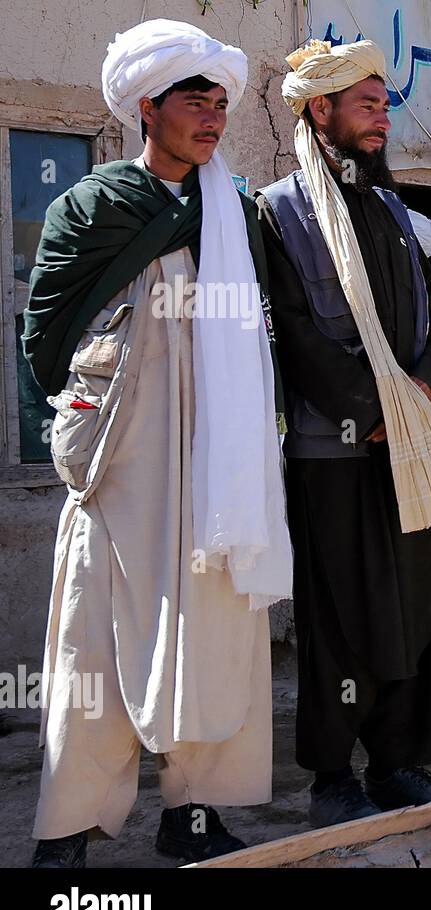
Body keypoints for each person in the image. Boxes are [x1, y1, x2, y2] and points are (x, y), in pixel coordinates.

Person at [22, 19, 291, 867]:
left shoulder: (233, 214)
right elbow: (47, 336)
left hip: (217, 465)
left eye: (220, 102)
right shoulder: (96, 207)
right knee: (92, 641)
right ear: (150, 107)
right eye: (194, 102)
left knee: (216, 631)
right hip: (123, 463)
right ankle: (68, 825)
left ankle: (196, 812)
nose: (212, 117)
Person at [259, 37, 431, 827]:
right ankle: (332, 776)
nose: (383, 120)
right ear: (322, 110)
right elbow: (296, 337)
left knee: (414, 605)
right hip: (335, 452)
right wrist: (373, 409)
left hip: (408, 445)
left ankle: (397, 763)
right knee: (338, 614)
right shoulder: (279, 214)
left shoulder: (389, 208)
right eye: (367, 105)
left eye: (384, 105)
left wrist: (422, 394)